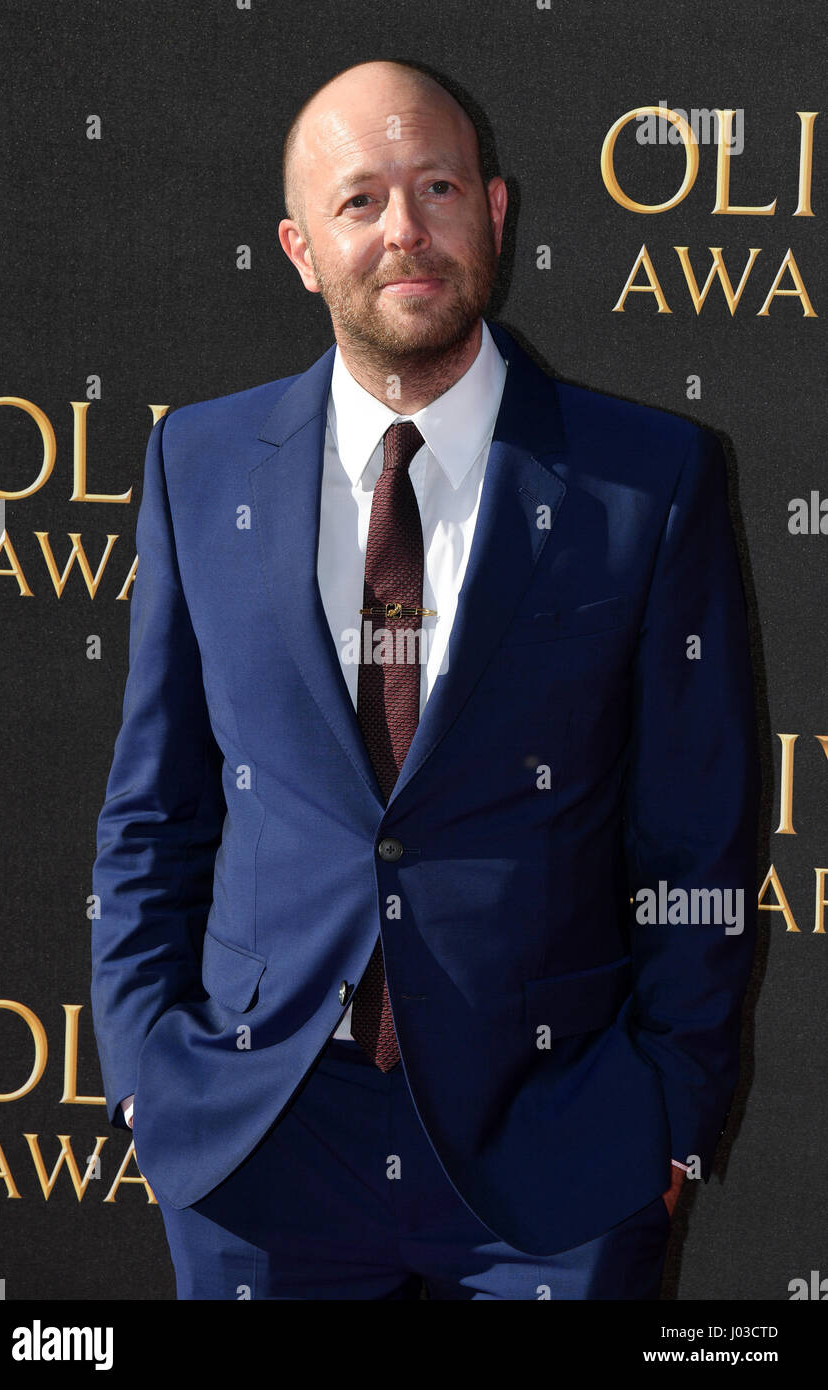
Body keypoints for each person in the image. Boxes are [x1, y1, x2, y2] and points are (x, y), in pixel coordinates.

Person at [90, 58, 760, 1299]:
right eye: (359, 200)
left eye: (436, 185)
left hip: (552, 1156)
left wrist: (664, 1112)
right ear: (297, 248)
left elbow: (696, 838)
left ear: (495, 214)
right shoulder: (199, 461)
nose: (404, 228)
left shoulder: (646, 477)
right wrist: (145, 1081)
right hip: (261, 1145)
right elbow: (155, 806)